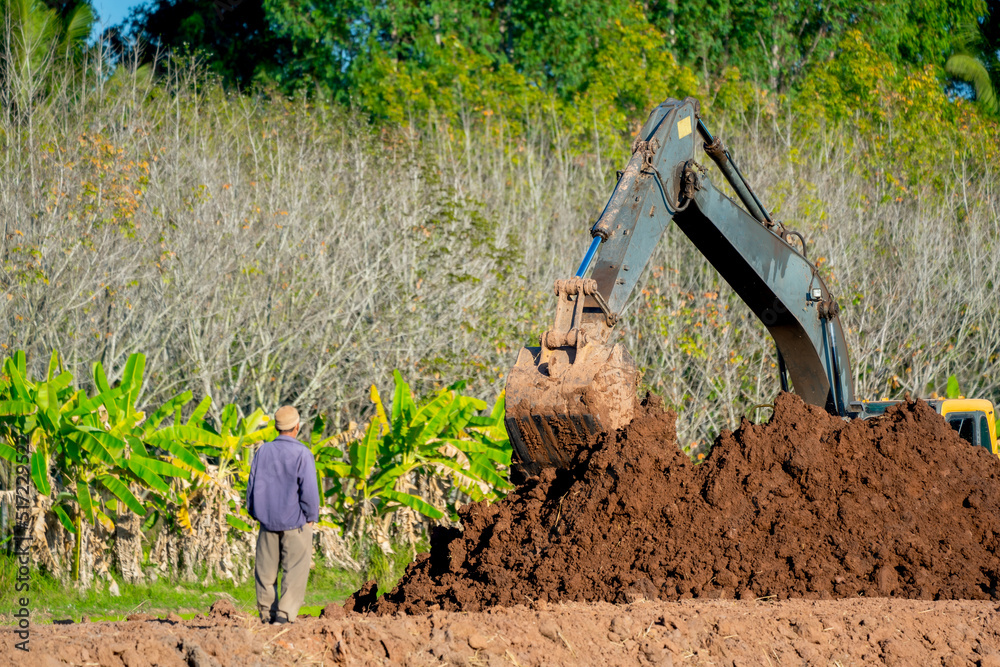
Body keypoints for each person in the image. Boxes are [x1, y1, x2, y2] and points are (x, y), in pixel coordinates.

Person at [246, 405, 319, 624]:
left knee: (265, 574)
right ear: (297, 427)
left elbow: (251, 488)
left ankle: (267, 615)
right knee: (294, 572)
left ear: (277, 428)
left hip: (267, 523)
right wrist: (311, 517)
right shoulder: (302, 453)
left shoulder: (263, 451)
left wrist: (256, 514)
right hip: (295, 522)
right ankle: (284, 617)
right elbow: (309, 491)